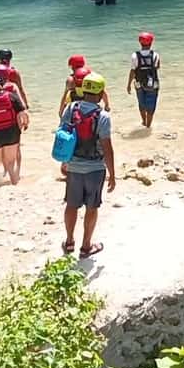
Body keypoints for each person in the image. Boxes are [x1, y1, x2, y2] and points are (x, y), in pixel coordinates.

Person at [60, 73, 116, 258]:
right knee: (92, 208)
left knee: (71, 205)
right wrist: (112, 174)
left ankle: (69, 242)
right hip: (95, 169)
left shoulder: (70, 108)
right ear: (100, 94)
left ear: (83, 90)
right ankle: (86, 247)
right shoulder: (103, 116)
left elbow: (63, 136)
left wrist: (64, 162)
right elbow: (107, 148)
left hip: (73, 166)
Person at [127, 32, 161, 128]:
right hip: (152, 83)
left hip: (138, 83)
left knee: (141, 103)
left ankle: (144, 121)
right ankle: (148, 126)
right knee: (151, 105)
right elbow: (157, 67)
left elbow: (132, 71)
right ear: (151, 43)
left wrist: (129, 84)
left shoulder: (134, 55)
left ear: (140, 42)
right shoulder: (155, 55)